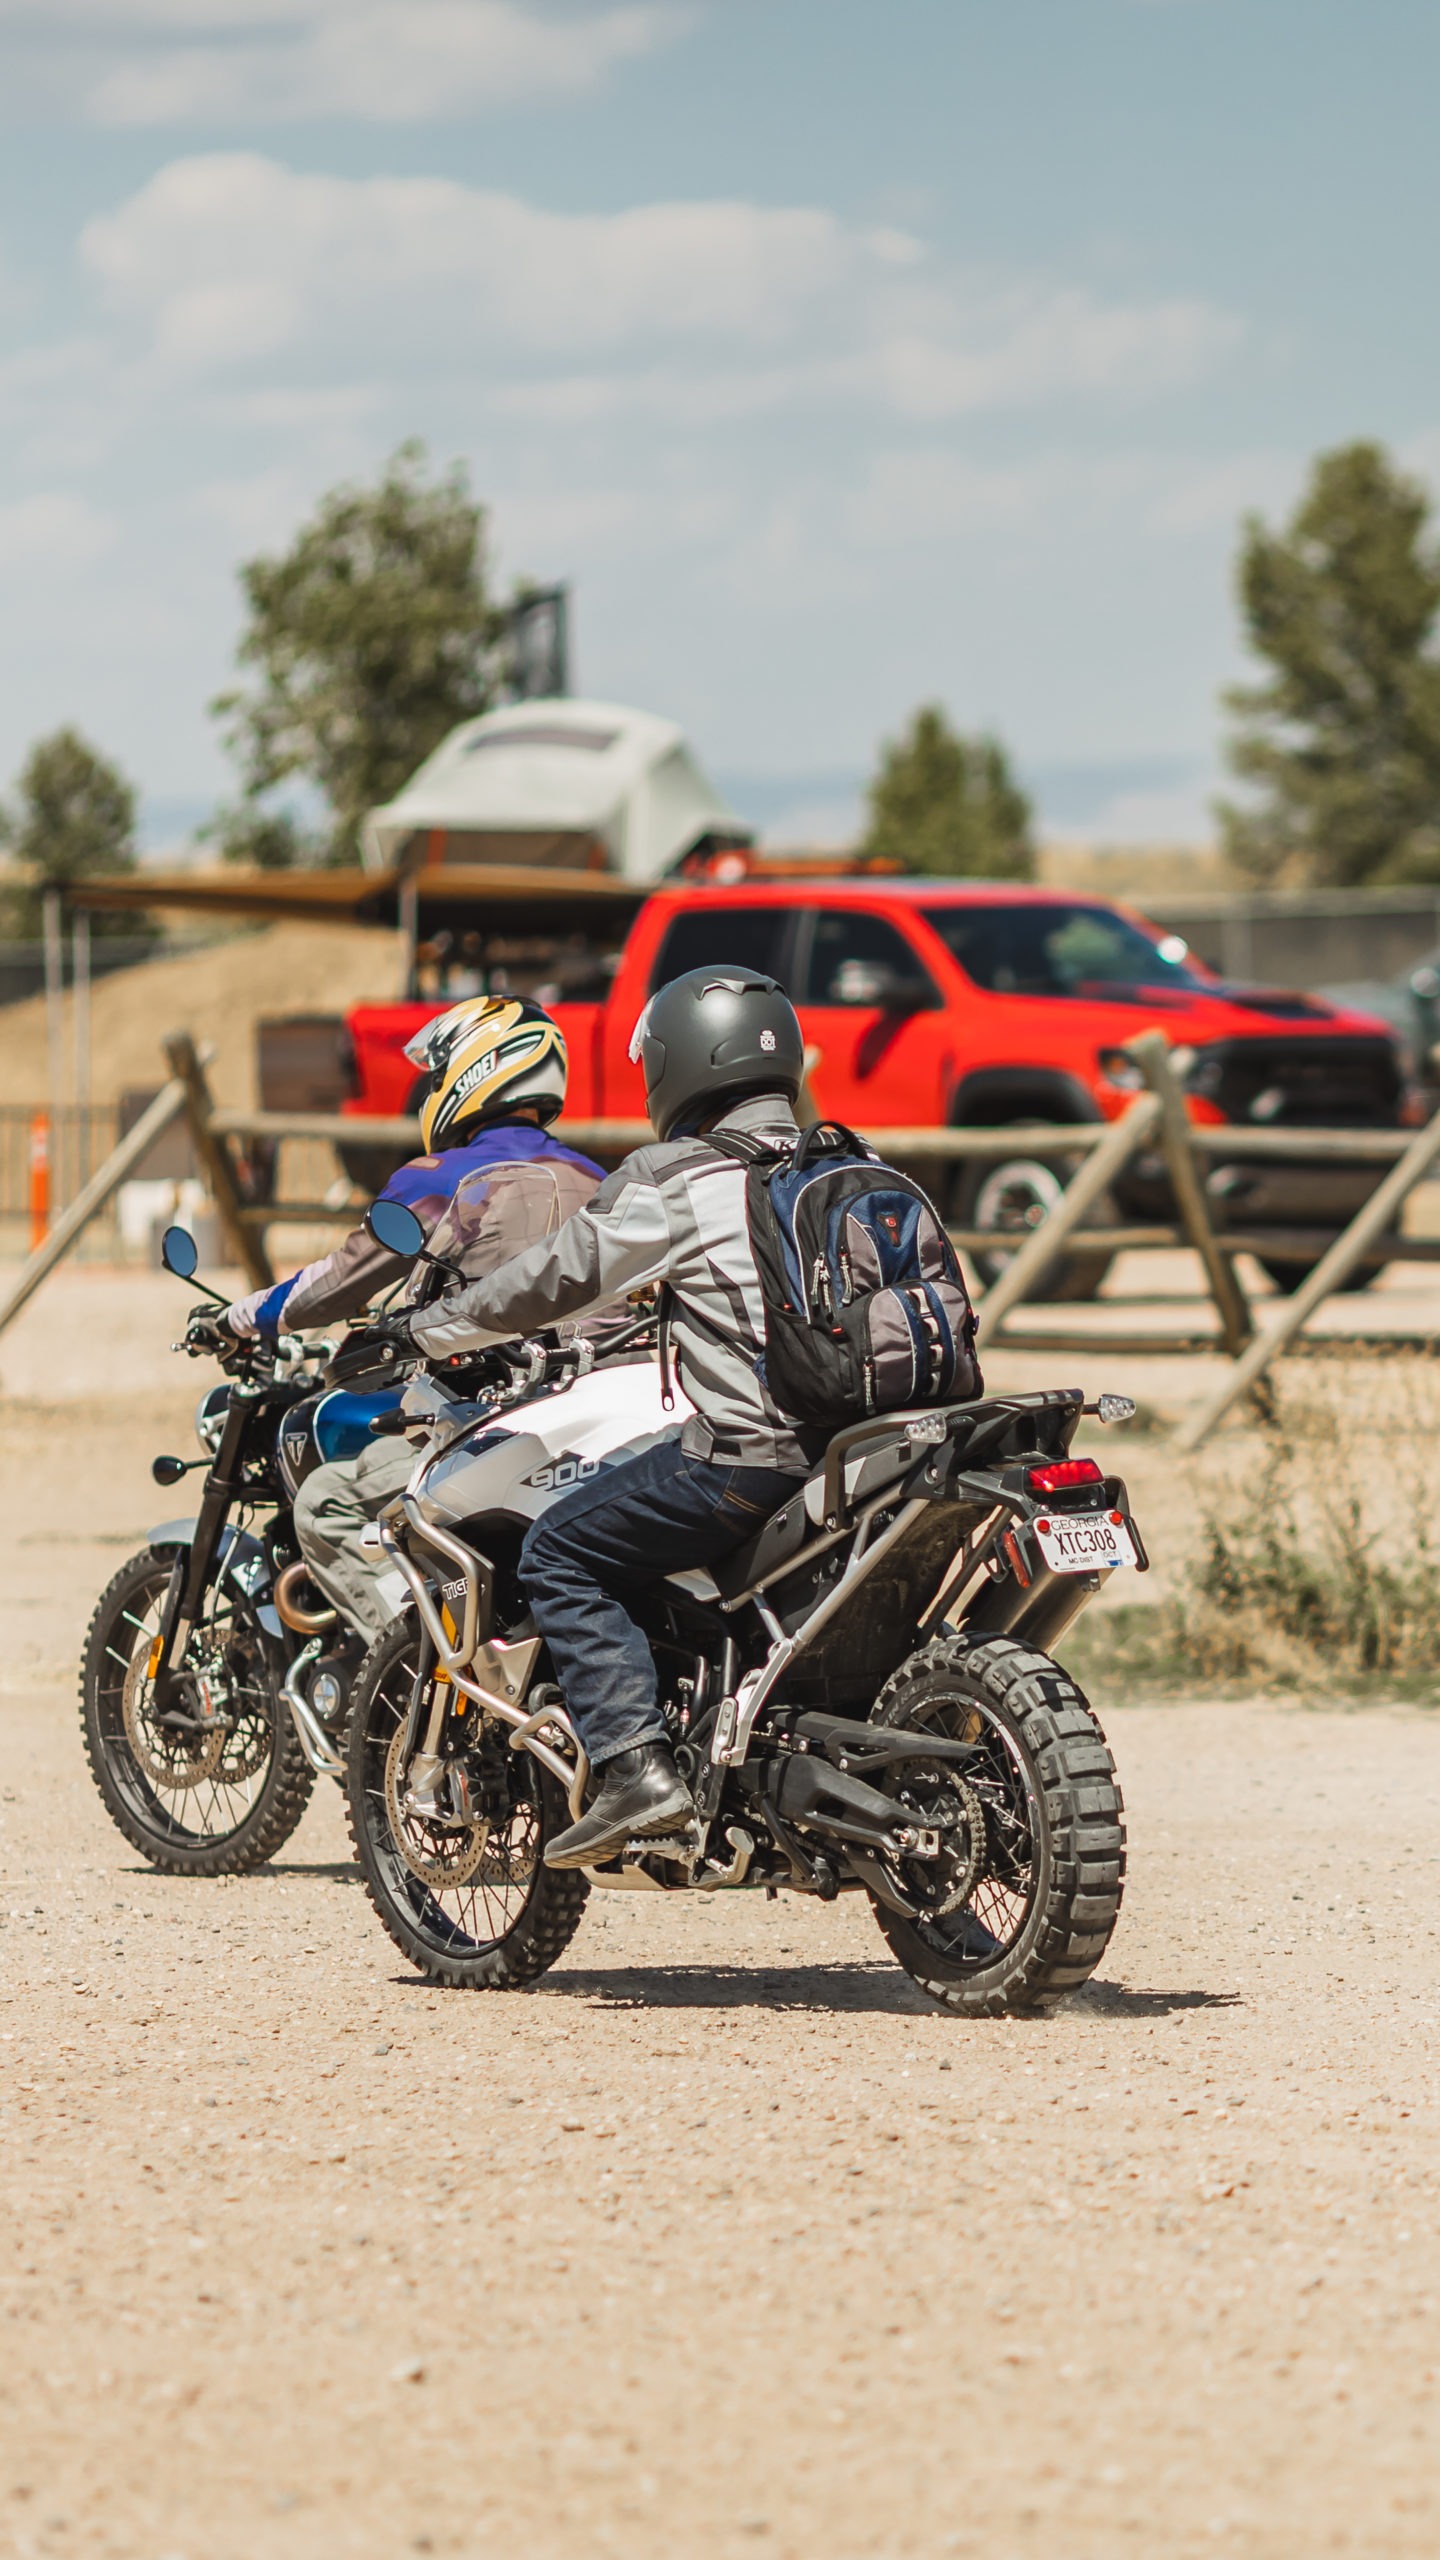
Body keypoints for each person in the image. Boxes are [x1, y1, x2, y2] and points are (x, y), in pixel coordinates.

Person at [406, 966, 817, 1871]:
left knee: (559, 1547)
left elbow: (555, 1277)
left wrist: (433, 1327)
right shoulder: (850, 1161)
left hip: (750, 1457)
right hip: (868, 1450)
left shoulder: (681, 1176)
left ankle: (636, 1770)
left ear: (678, 1064)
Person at [219, 994, 604, 1653]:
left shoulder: (444, 1176)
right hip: (591, 1421)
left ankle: (394, 1677)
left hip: (490, 1421)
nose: (432, 1089)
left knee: (327, 1503)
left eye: (439, 1072)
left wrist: (244, 1316)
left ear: (476, 1069)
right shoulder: (598, 1177)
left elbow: (335, 1282)